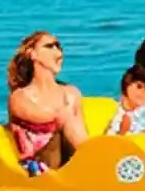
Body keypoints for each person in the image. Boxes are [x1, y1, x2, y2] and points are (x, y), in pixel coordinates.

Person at [7, 31, 90, 176]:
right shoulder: (20, 97)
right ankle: (96, 161)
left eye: (59, 47)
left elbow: (80, 132)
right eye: (50, 46)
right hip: (35, 168)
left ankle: (98, 162)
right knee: (65, 118)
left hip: (69, 160)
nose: (58, 52)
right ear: (32, 54)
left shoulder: (71, 93)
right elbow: (51, 119)